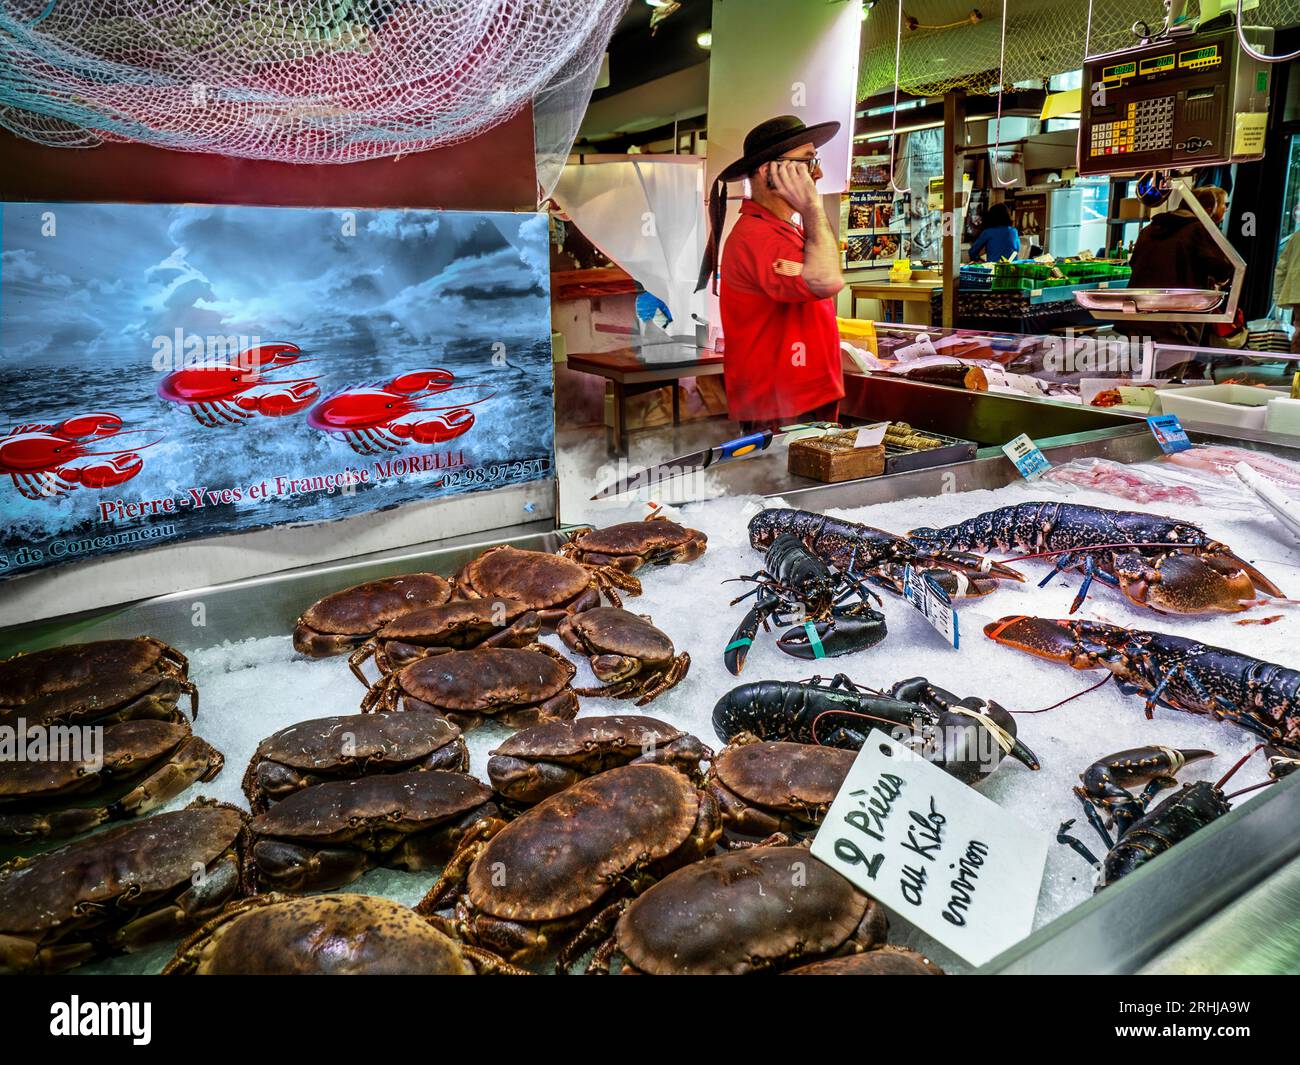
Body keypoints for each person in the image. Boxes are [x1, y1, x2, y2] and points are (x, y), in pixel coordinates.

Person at [696, 115, 845, 432]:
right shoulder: (757, 235)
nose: (817, 173)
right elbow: (828, 280)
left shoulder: (784, 229)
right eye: (808, 162)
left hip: (801, 400)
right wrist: (812, 208)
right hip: (783, 405)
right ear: (768, 172)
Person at [1123, 185, 1234, 351]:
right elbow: (1221, 269)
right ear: (1209, 209)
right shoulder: (1200, 230)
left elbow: (1134, 263)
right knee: (1171, 372)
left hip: (1139, 316)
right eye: (1225, 204)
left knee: (1139, 371)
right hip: (1177, 320)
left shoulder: (1148, 229)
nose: (1225, 209)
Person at [1273, 205, 1300, 354]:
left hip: (1297, 293)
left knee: (1299, 330)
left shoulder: (1296, 237)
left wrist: (1278, 294)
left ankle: (1294, 368)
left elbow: (1281, 268)